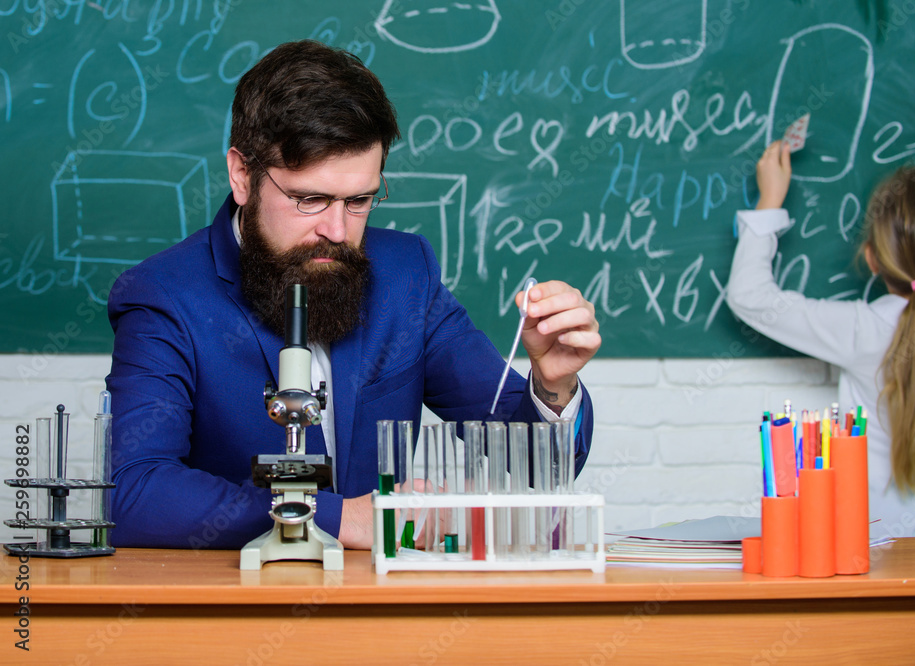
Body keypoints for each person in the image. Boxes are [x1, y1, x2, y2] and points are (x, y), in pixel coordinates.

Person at [105, 40, 601, 550]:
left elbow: (532, 464)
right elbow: (135, 492)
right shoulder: (163, 296)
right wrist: (343, 518)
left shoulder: (408, 274)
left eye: (360, 200)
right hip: (241, 610)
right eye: (310, 199)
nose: (338, 231)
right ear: (242, 175)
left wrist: (552, 386)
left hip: (375, 612)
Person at [726, 77, 915, 552]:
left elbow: (750, 296)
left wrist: (770, 199)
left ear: (871, 258)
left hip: (872, 560)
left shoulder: (861, 330)